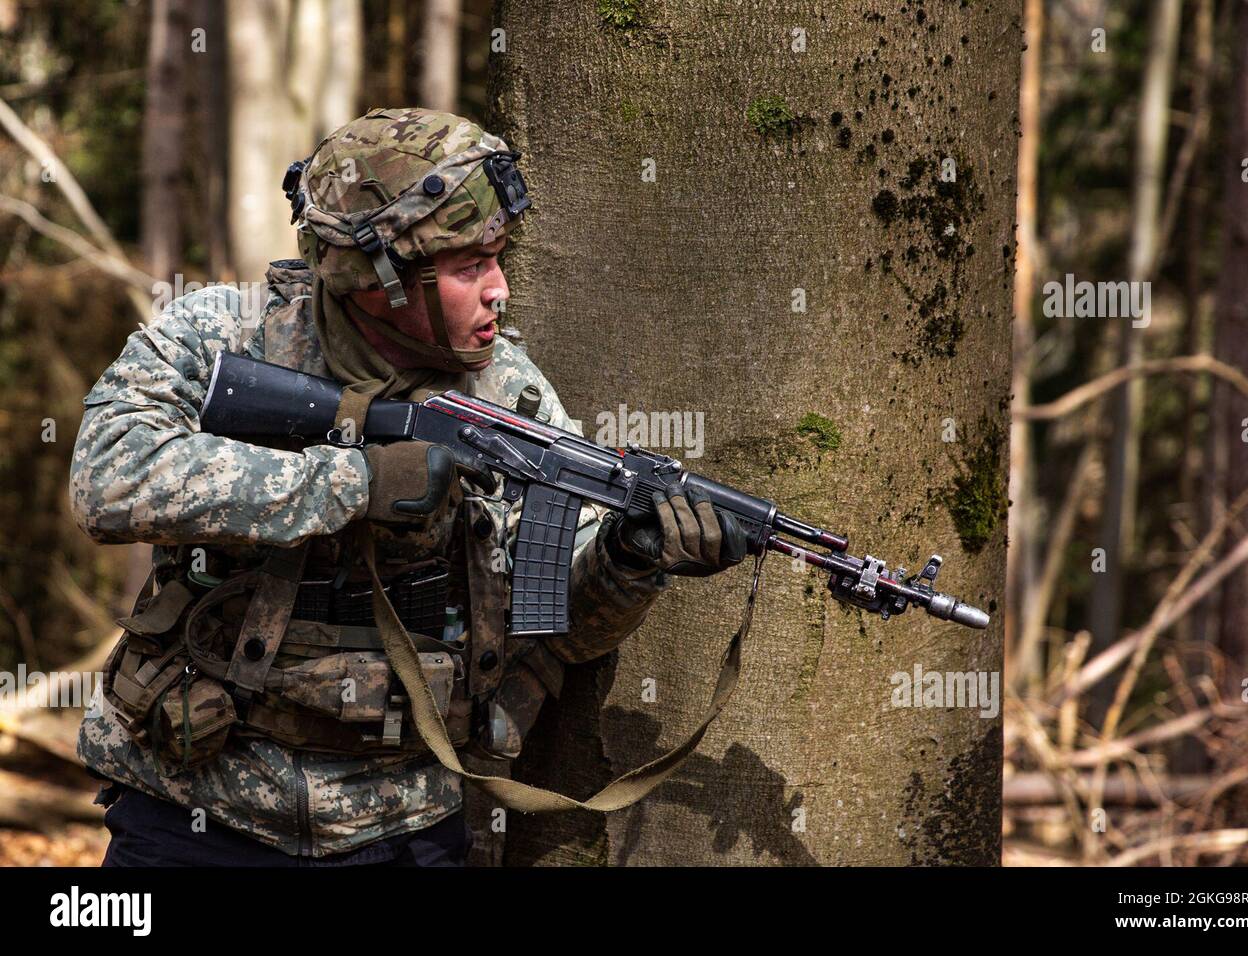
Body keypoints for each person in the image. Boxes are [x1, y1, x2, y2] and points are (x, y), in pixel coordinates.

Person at [69, 108, 746, 867]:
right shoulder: (220, 334)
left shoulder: (512, 395)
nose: (500, 291)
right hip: (195, 802)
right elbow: (108, 475)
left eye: (500, 259)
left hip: (402, 823)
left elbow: (567, 629)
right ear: (379, 276)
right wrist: (352, 483)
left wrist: (631, 559)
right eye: (468, 267)